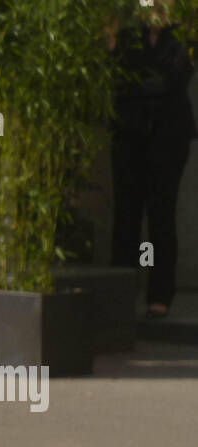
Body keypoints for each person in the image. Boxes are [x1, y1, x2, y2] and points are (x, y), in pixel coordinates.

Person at [108, 3, 197, 317]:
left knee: (161, 213)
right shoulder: (128, 34)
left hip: (168, 135)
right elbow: (119, 76)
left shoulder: (183, 35)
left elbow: (175, 77)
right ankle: (120, 295)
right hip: (130, 131)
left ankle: (159, 296)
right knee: (126, 214)